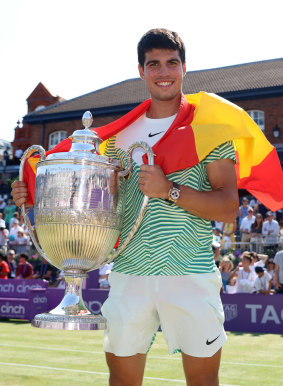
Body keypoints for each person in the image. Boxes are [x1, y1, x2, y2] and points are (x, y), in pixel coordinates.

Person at [11, 28, 240, 385]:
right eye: (154, 64)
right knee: (121, 382)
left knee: (203, 382)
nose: (163, 71)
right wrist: (34, 194)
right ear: (141, 70)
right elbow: (93, 205)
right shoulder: (120, 138)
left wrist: (170, 190)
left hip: (191, 274)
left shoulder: (210, 129)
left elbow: (228, 207)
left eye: (171, 63)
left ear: (184, 68)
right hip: (130, 274)